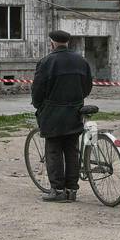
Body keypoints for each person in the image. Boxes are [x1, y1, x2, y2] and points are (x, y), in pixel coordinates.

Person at [31, 29, 93, 202]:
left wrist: (39, 106)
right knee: (72, 150)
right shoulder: (81, 61)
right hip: (74, 112)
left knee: (54, 150)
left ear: (52, 43)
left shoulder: (46, 62)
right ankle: (71, 190)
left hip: (53, 113)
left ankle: (57, 190)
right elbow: (87, 86)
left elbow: (37, 90)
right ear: (68, 42)